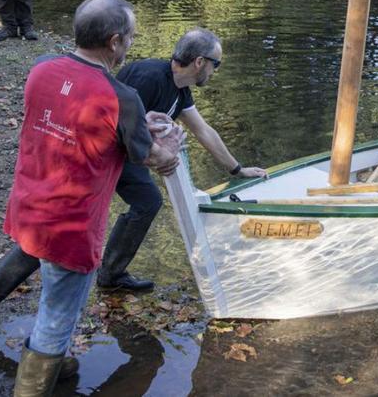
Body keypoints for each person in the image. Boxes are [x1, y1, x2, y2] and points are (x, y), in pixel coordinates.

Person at [0, 0, 181, 396]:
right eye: (130, 37)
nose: (131, 44)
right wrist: (169, 152)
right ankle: (34, 384)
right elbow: (150, 158)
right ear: (115, 41)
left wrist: (136, 123)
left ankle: (54, 363)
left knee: (38, 258)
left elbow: (83, 119)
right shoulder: (122, 99)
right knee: (57, 315)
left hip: (31, 202)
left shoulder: (42, 70)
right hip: (73, 225)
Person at [99, 27, 268, 292]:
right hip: (106, 152)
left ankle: (110, 275)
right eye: (216, 64)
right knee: (138, 202)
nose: (214, 72)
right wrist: (156, 156)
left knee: (148, 202)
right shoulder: (150, 76)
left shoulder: (180, 91)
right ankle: (76, 264)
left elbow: (203, 131)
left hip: (131, 155)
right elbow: (118, 124)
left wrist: (237, 169)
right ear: (200, 62)